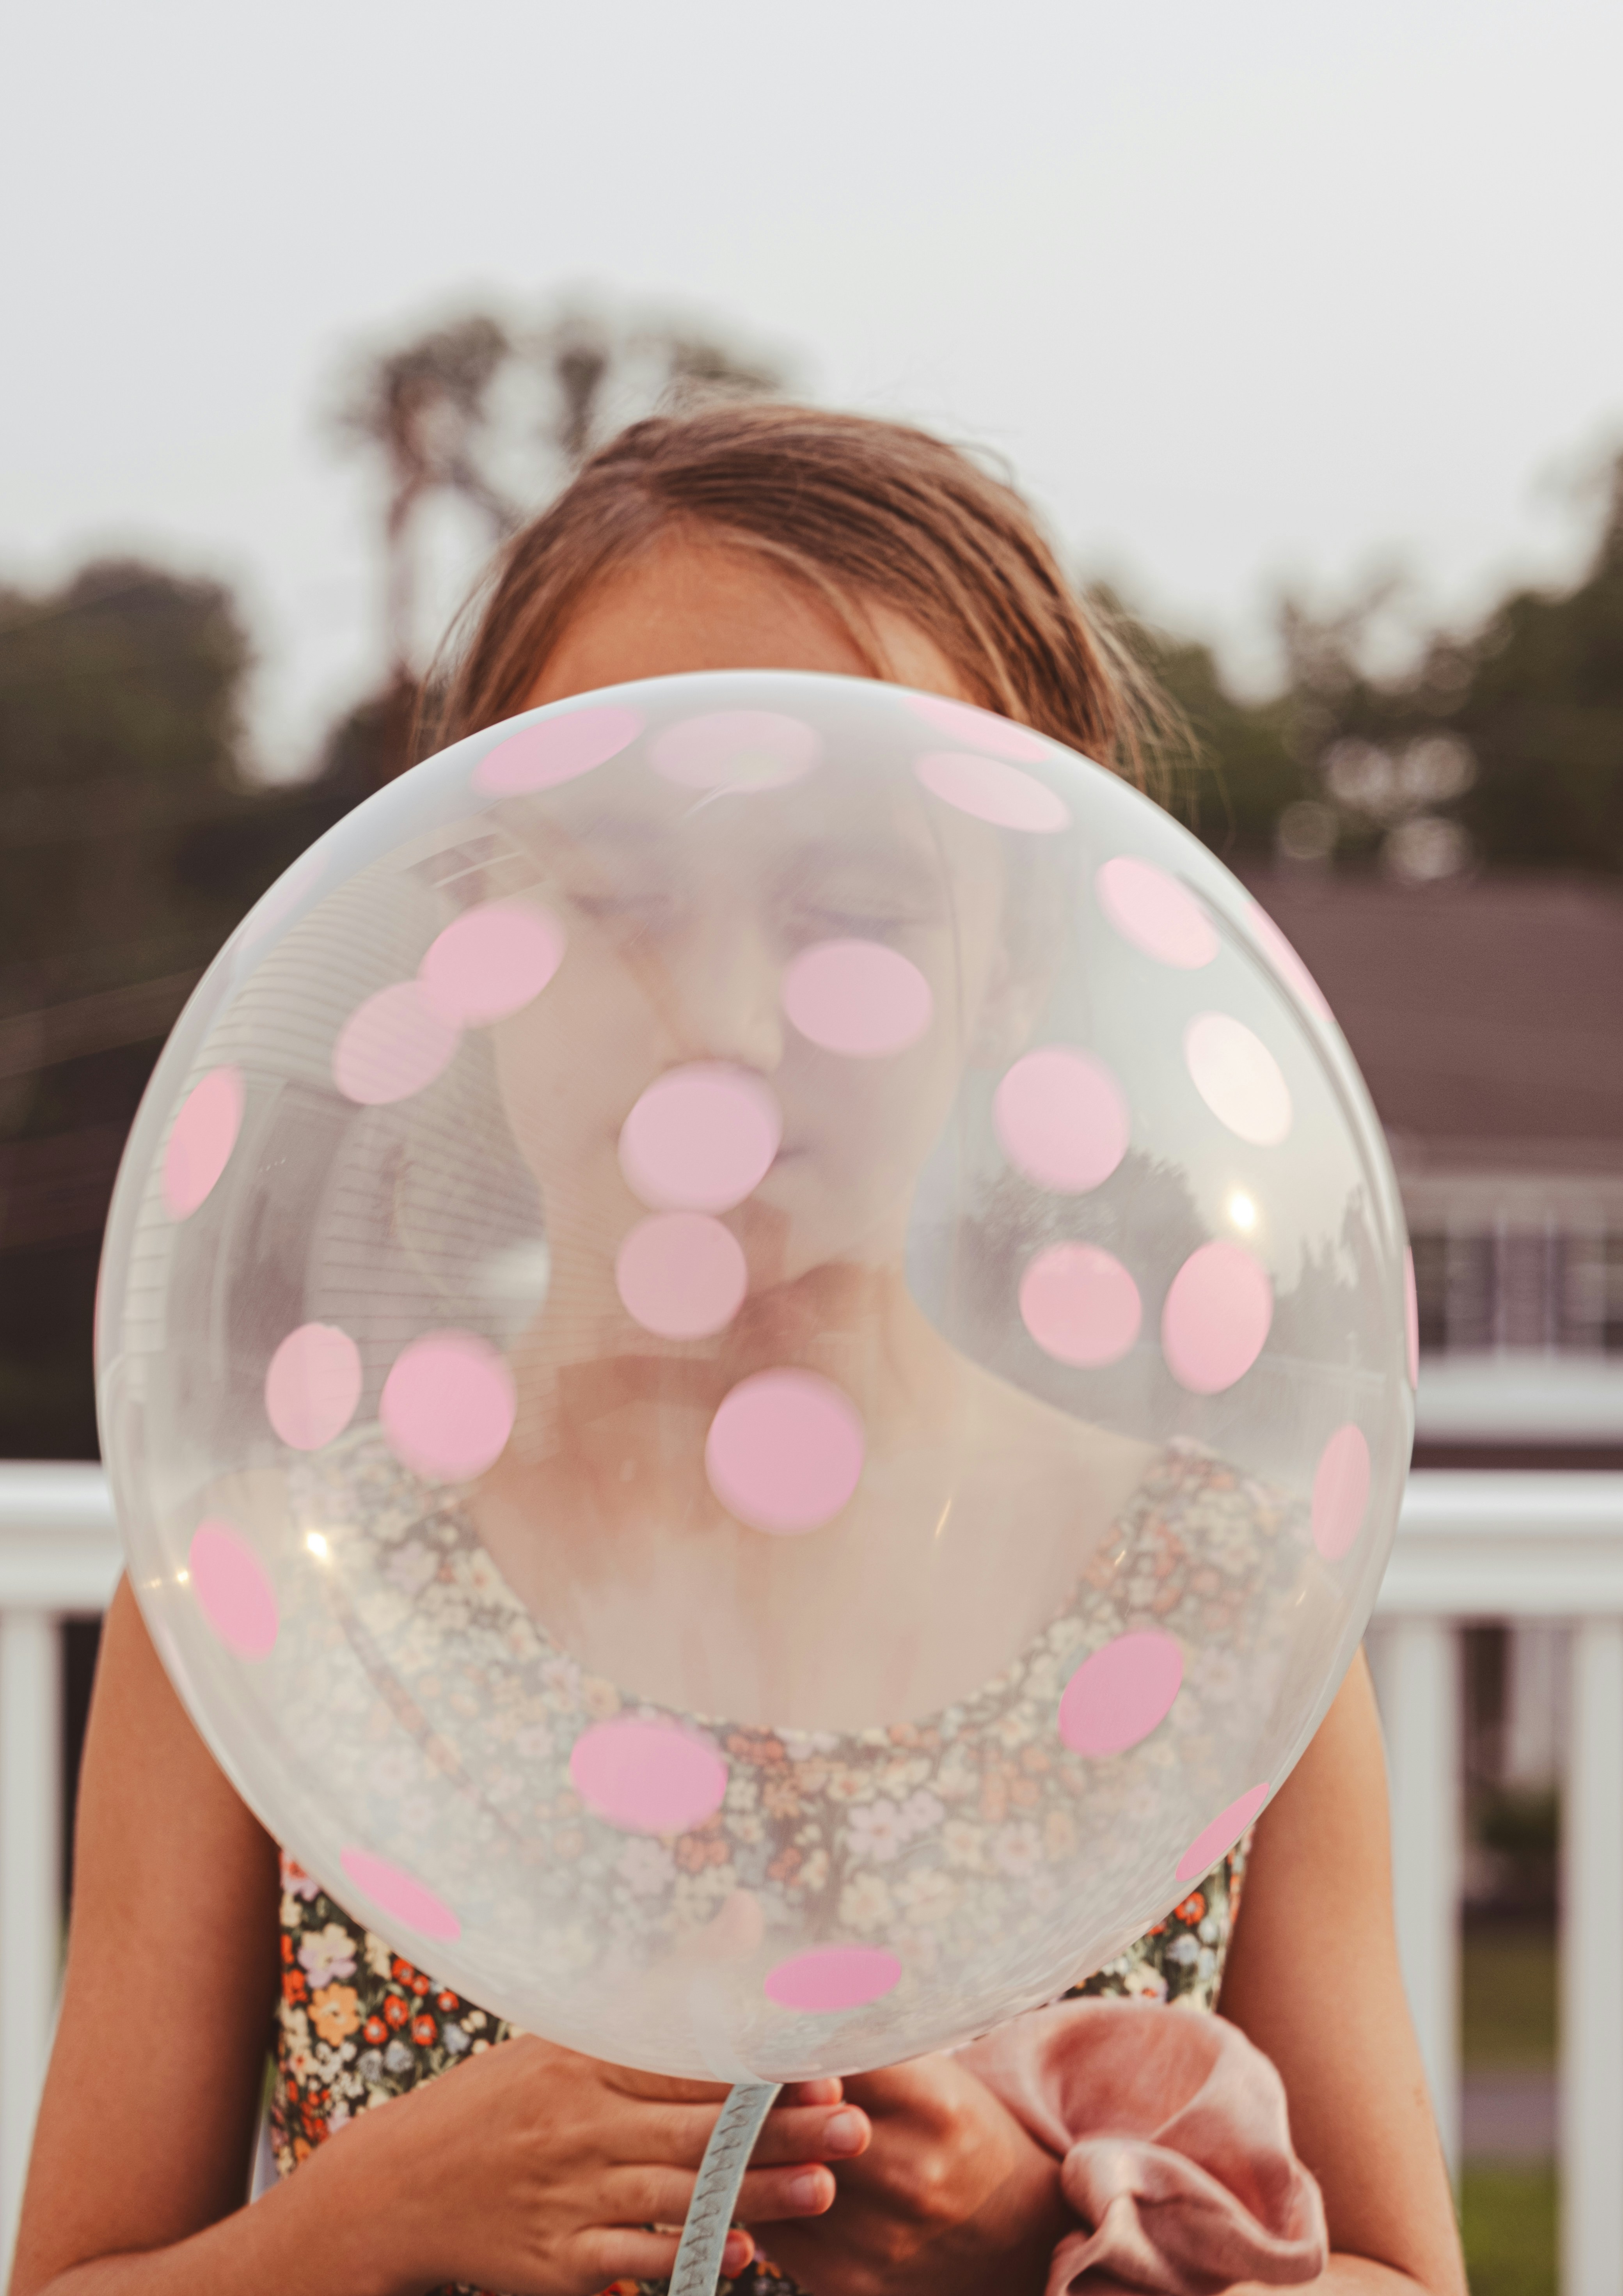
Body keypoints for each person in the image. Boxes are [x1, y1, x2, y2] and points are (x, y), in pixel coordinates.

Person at [13, 406, 1467, 2296]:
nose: (710, 1015)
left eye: (848, 902)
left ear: (1012, 961)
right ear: (462, 917)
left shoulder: (1210, 1616)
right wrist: (375, 2224)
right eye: (607, 893)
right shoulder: (277, 1598)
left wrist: (1027, 2235)